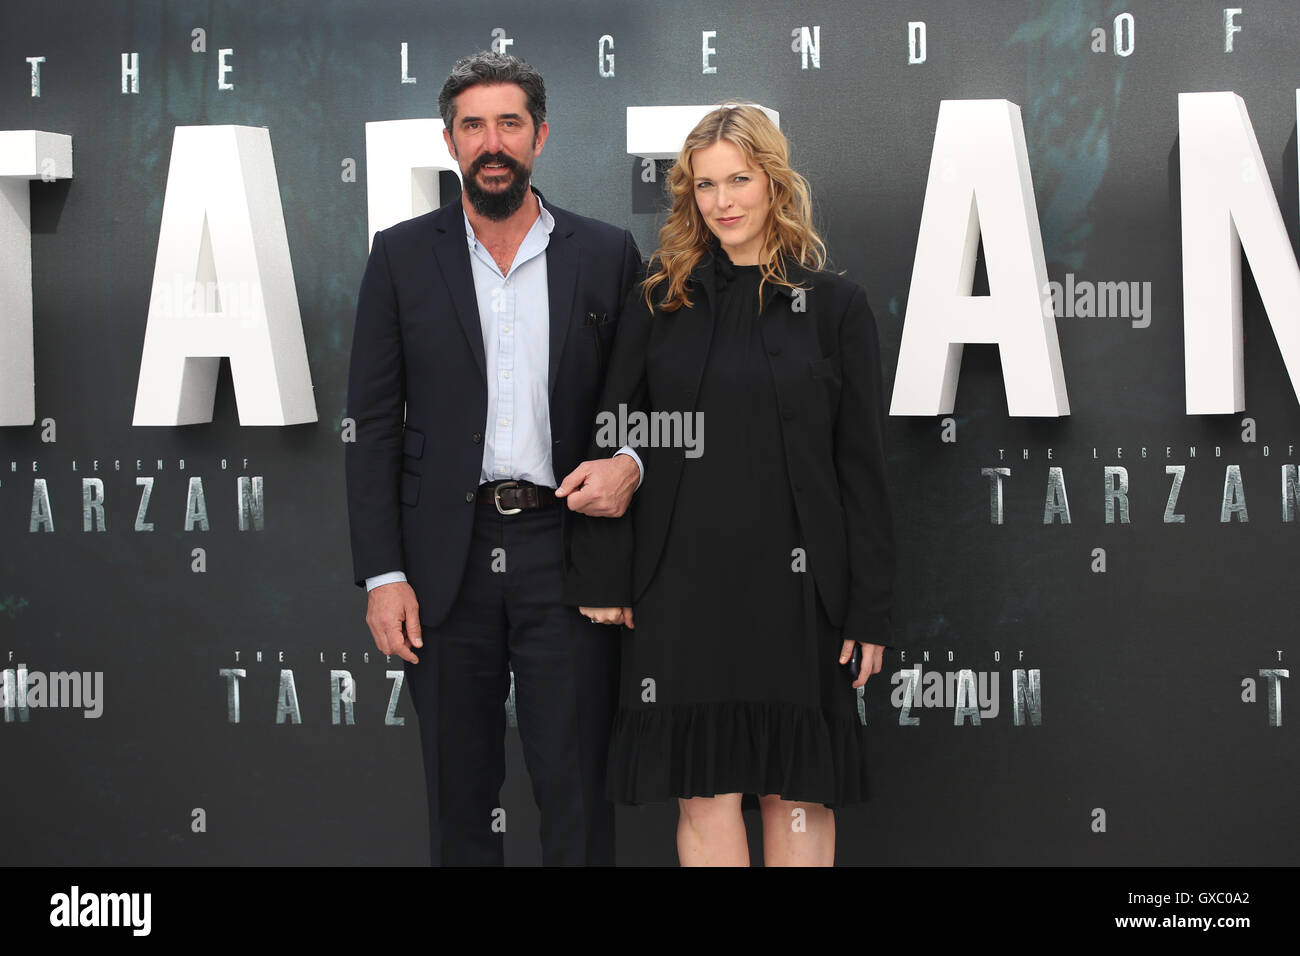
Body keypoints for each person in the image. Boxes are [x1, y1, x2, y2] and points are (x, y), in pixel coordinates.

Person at [565, 104, 896, 866]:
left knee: (799, 793)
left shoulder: (836, 308)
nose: (723, 201)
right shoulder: (659, 301)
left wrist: (869, 610)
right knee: (704, 791)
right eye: (706, 185)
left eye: (740, 179)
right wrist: (606, 573)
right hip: (681, 591)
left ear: (775, 182)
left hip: (801, 595)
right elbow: (615, 438)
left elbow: (862, 470)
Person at [345, 50, 643, 866]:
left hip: (567, 551)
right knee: (458, 798)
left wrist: (631, 463)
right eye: (473, 126)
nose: (492, 142)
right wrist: (382, 574)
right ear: (449, 142)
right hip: (445, 562)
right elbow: (371, 425)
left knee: (578, 794)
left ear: (539, 136)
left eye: (509, 123)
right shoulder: (401, 256)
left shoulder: (607, 253)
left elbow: (643, 402)